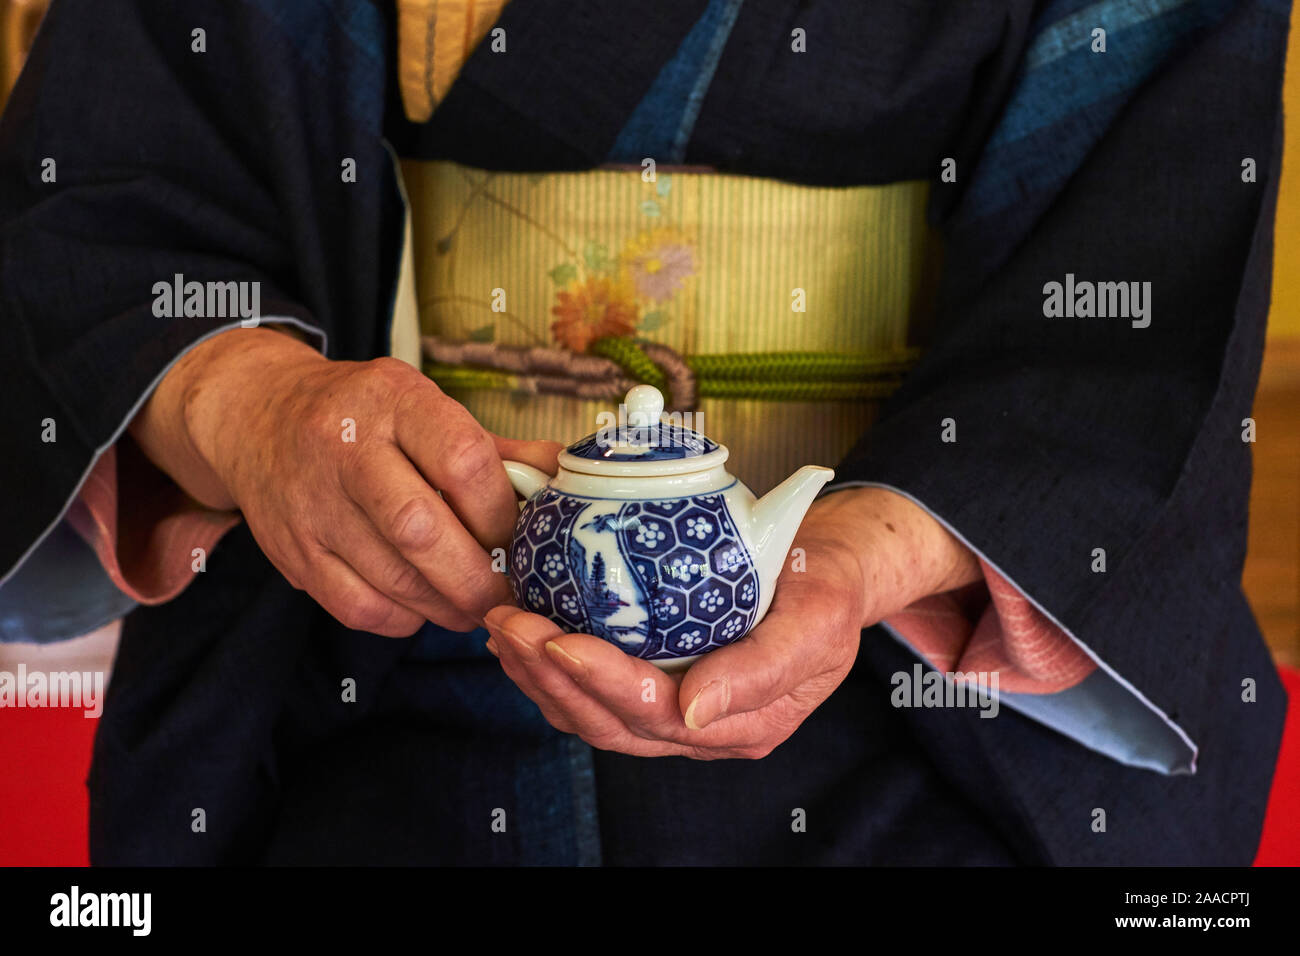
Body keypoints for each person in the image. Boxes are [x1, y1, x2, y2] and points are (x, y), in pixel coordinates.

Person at [0, 0, 1289, 864]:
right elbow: (125, 180)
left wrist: (877, 554)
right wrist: (254, 408)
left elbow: (1144, 230)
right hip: (369, 656)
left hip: (910, 697)